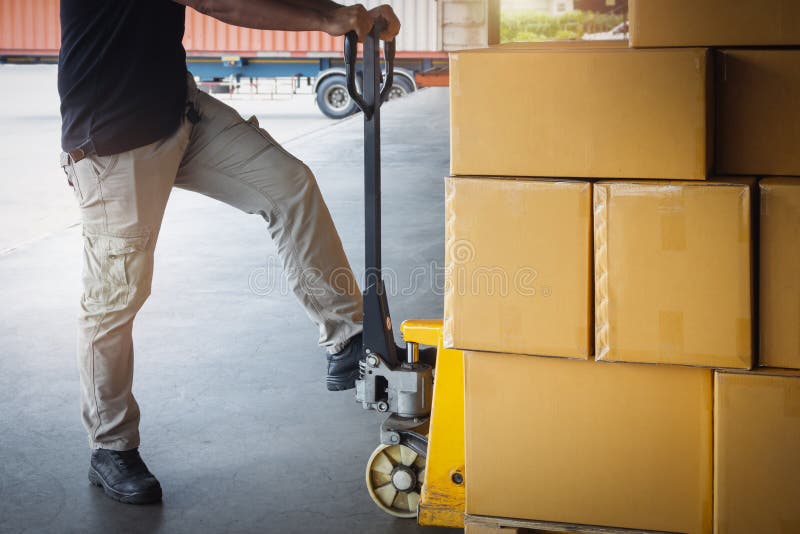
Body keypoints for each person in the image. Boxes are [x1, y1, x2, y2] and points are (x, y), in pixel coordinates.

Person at [58, 0, 400, 505]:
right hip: (114, 144)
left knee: (288, 185)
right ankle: (110, 446)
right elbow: (226, 3)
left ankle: (347, 338)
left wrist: (348, 14)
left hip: (179, 114)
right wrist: (330, 19)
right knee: (115, 300)